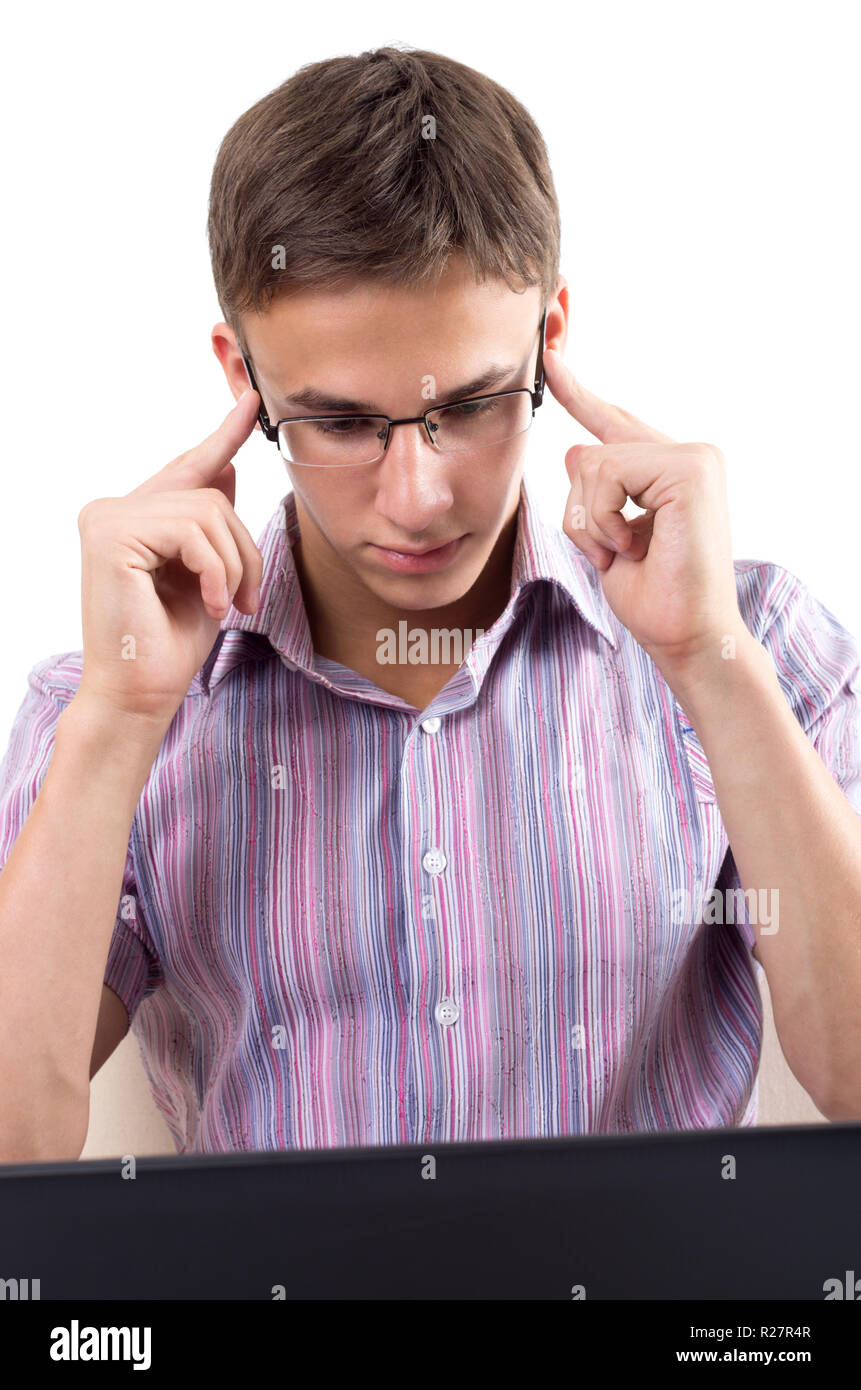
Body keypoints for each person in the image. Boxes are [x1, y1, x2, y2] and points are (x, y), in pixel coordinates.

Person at [1, 46, 860, 1162]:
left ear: (551, 341)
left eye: (473, 403)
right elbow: (13, 1151)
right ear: (242, 380)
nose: (418, 497)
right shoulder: (107, 704)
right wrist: (116, 725)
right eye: (344, 423)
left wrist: (711, 662)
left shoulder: (756, 646)